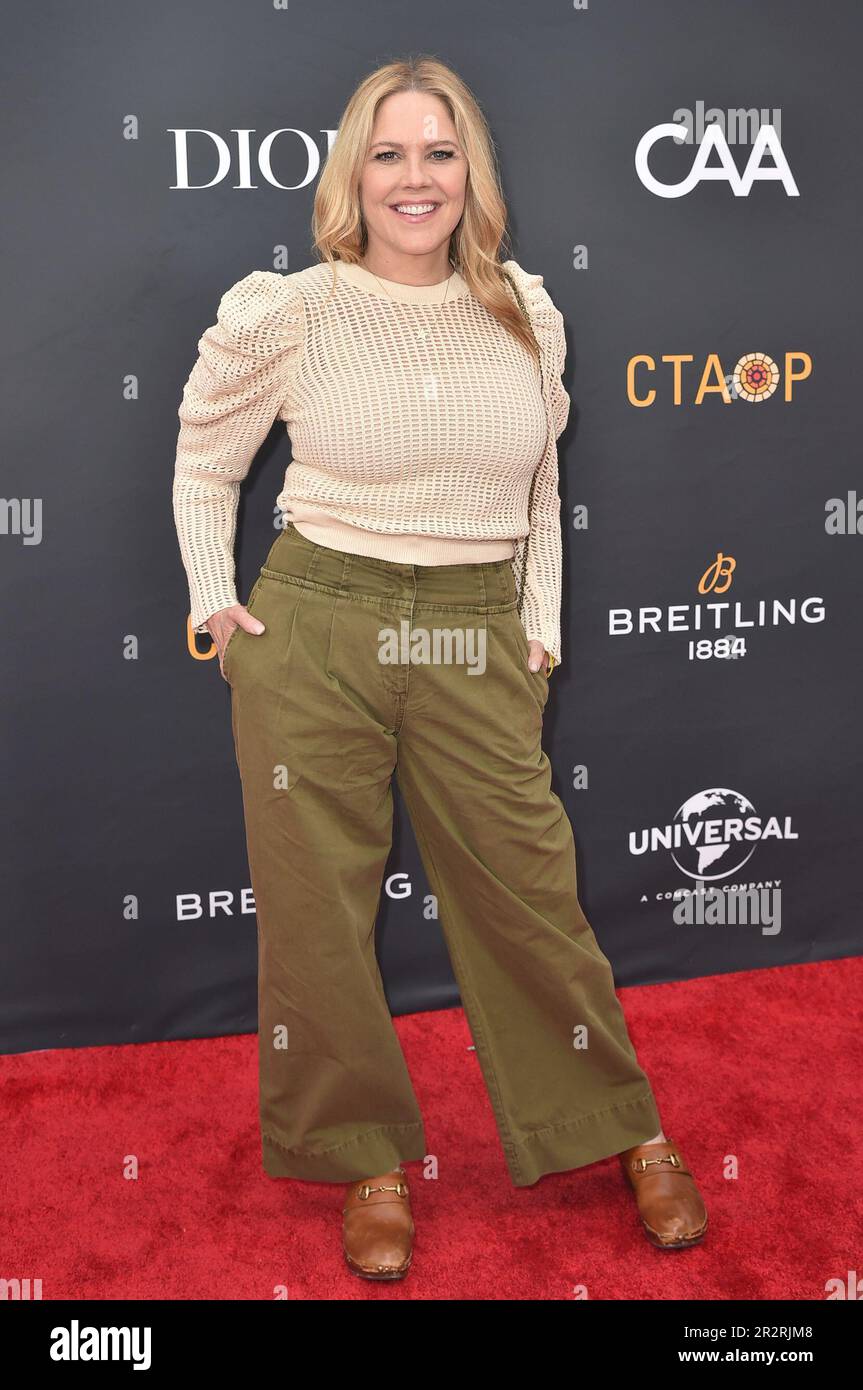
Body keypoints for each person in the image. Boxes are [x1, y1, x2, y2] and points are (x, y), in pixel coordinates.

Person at [172, 55, 708, 1280]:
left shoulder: (523, 307)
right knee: (316, 914)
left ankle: (617, 1124)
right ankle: (364, 1155)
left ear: (471, 173)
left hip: (472, 628)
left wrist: (538, 624)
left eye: (439, 152)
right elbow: (206, 461)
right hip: (316, 620)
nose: (415, 178)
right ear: (353, 174)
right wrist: (215, 599)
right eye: (389, 153)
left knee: (532, 894)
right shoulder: (291, 309)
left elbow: (539, 489)